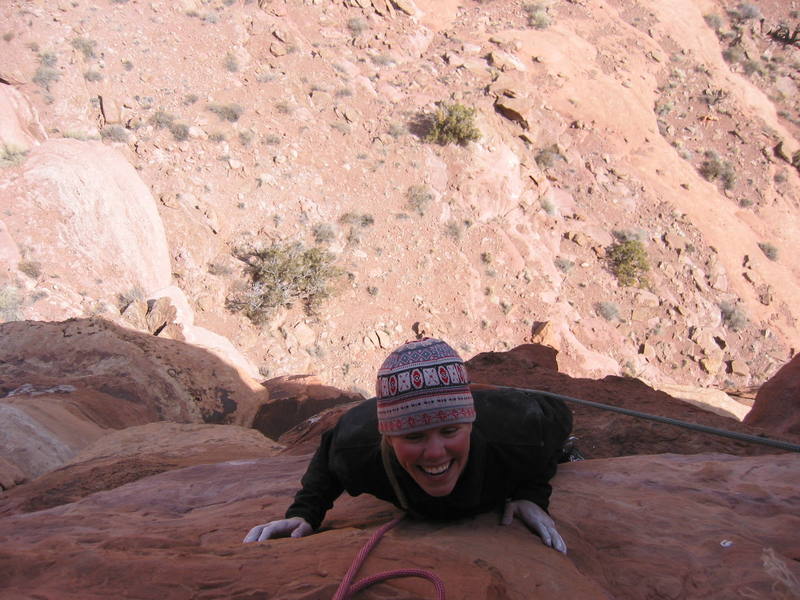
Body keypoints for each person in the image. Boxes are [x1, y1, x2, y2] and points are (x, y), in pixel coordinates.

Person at [243, 338, 573, 553]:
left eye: (449, 431)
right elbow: (329, 456)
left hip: (498, 410)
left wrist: (532, 495)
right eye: (414, 436)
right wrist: (306, 513)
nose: (434, 453)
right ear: (387, 436)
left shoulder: (517, 427)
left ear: (470, 423)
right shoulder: (356, 447)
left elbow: (556, 423)